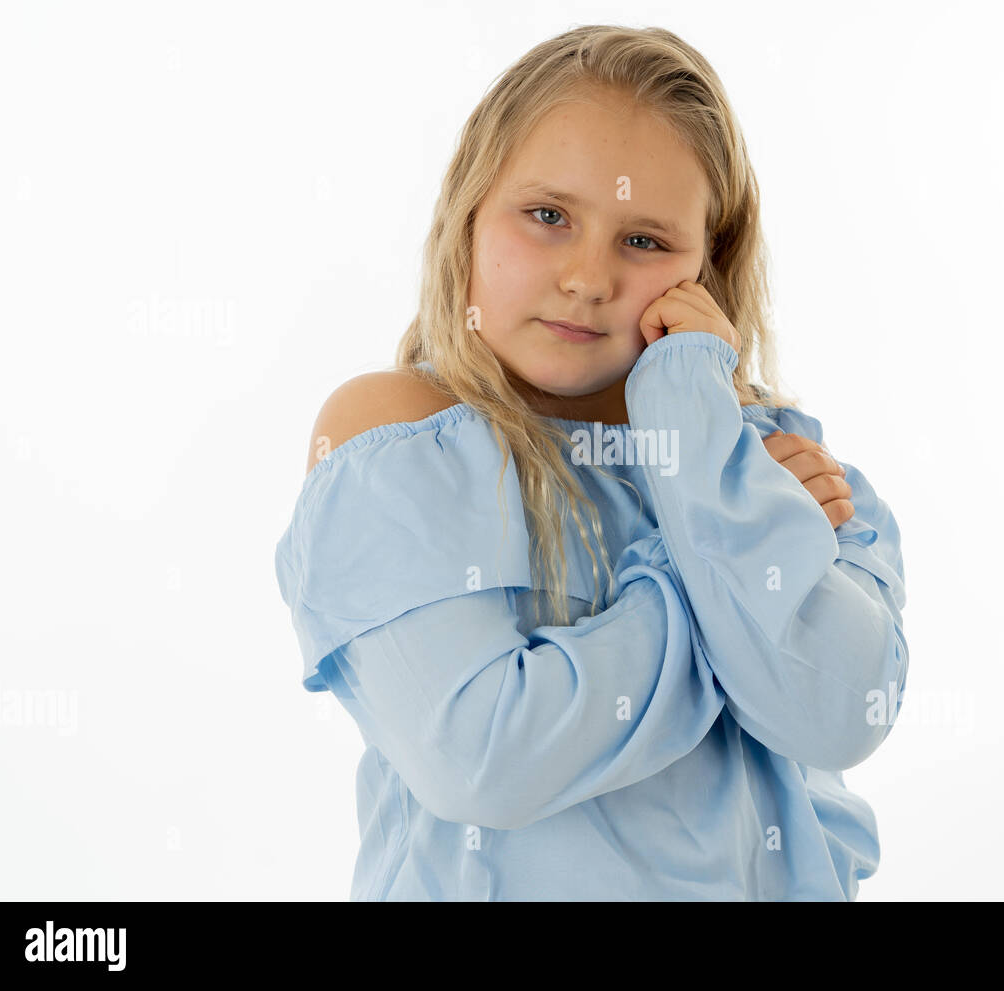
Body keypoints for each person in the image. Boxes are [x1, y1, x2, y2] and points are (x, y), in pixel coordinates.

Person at [274, 24, 908, 900]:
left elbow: (836, 714)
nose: (586, 276)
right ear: (469, 213)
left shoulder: (783, 460)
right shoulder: (398, 432)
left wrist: (699, 430)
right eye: (548, 216)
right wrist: (716, 564)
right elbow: (485, 756)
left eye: (645, 241)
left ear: (708, 274)